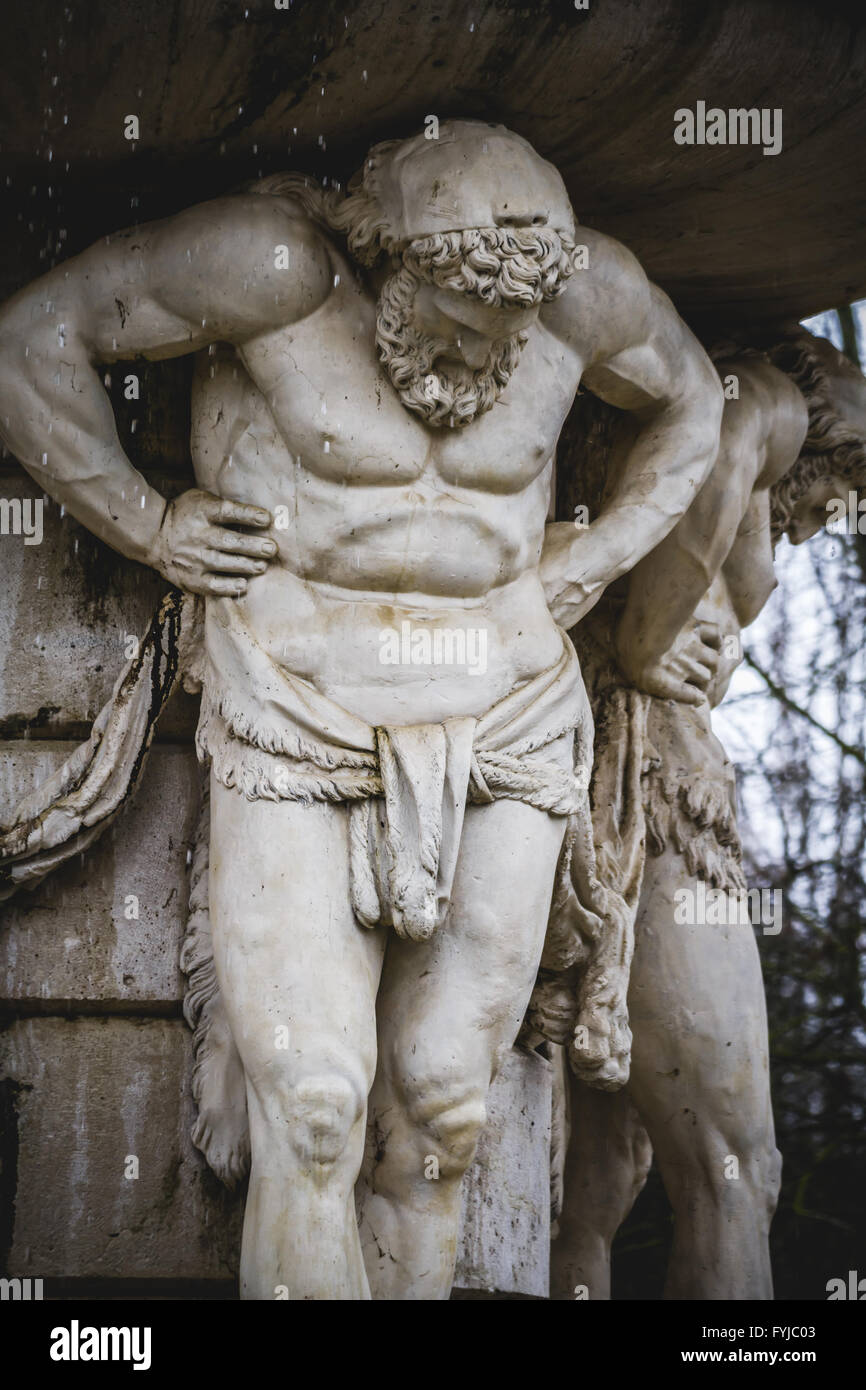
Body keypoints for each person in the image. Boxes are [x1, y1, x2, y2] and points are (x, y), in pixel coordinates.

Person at [0, 120, 722, 1299]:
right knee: (317, 1102)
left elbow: (699, 403)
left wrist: (596, 565)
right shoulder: (269, 267)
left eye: (506, 341)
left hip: (510, 716)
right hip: (300, 709)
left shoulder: (577, 295)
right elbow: (31, 339)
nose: (481, 363)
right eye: (449, 323)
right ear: (390, 256)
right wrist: (149, 522)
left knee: (443, 1113)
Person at [550, 327, 866, 1299]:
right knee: (735, 1163)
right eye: (842, 499)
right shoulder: (769, 404)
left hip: (582, 740)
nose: (822, 524)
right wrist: (648, 641)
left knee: (595, 1173)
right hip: (643, 758)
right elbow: (727, 430)